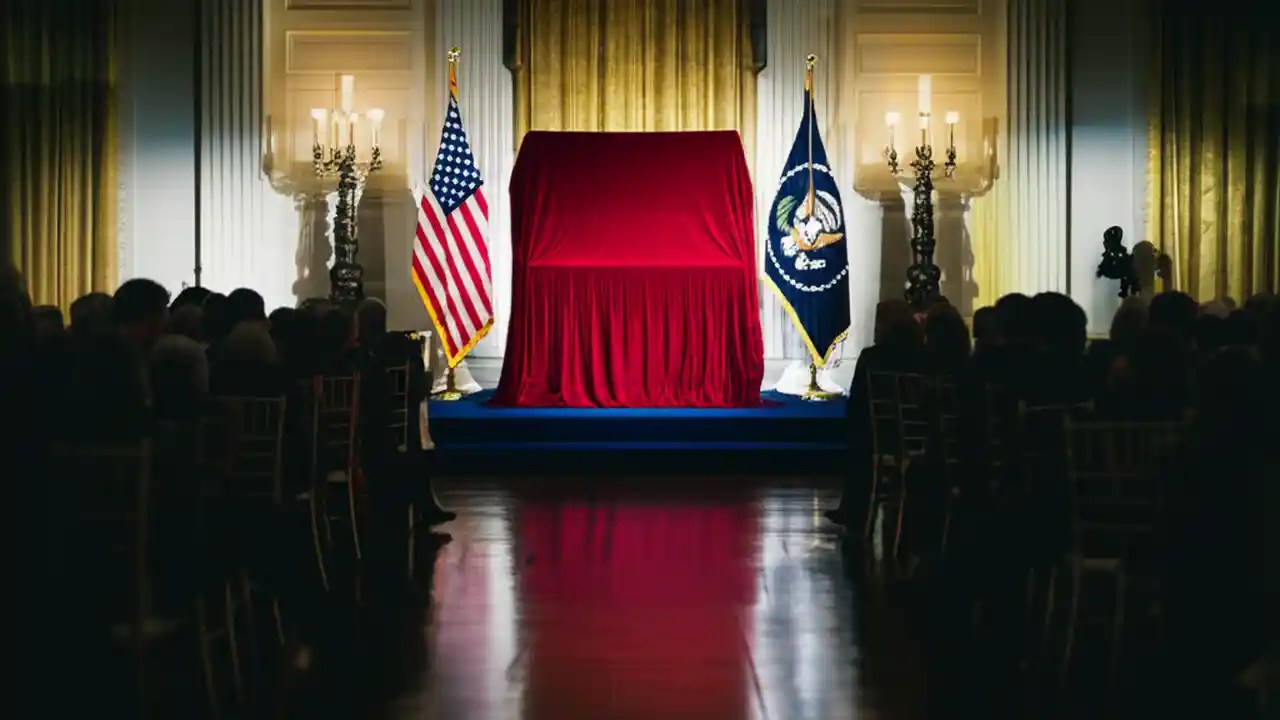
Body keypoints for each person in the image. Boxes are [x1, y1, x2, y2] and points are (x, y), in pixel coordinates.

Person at [826, 299, 924, 534]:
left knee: (861, 434)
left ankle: (854, 507)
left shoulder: (872, 357)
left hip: (882, 435)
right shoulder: (922, 356)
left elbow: (859, 401)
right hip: (919, 433)